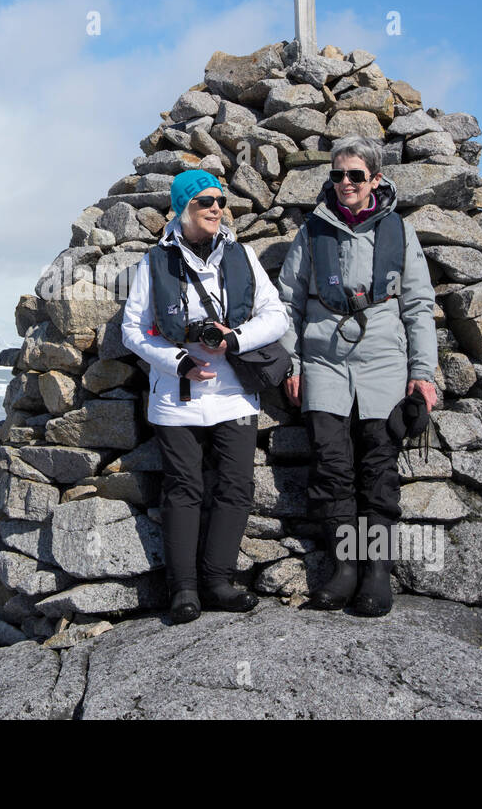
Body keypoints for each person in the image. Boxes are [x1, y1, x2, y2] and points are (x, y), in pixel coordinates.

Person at [276, 135, 437, 617]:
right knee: (331, 467)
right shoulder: (313, 231)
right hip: (324, 360)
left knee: (378, 468)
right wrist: (293, 362)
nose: (345, 183)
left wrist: (422, 372)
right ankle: (345, 570)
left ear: (375, 180)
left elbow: (419, 305)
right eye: (338, 175)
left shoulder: (398, 232)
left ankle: (376, 573)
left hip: (384, 361)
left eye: (355, 175)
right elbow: (288, 301)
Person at [122, 169, 290, 624]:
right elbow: (133, 331)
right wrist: (179, 361)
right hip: (177, 394)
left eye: (220, 201)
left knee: (235, 487)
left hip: (234, 393)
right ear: (182, 209)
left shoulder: (243, 256)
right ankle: (184, 590)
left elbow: (276, 316)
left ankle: (218, 581)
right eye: (205, 202)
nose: (216, 208)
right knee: (183, 489)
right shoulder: (154, 262)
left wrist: (233, 339)